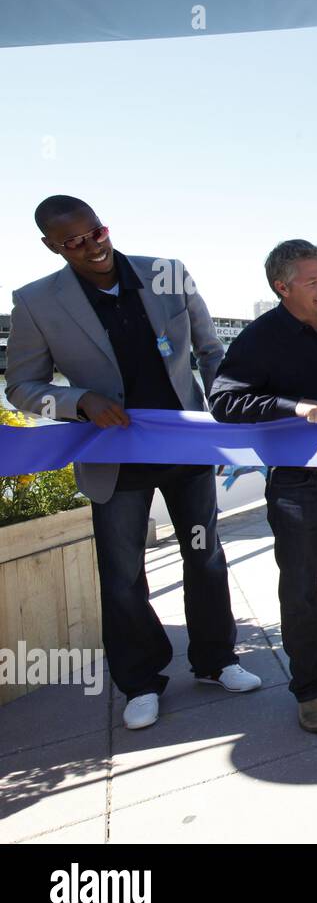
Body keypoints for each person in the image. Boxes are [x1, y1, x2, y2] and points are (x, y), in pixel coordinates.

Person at [5, 196, 260, 730]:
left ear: (104, 226)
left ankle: (217, 661)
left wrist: (223, 410)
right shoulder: (34, 302)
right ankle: (141, 682)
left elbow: (214, 354)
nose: (91, 247)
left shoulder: (167, 275)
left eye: (95, 232)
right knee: (122, 576)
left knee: (205, 556)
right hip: (113, 457)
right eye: (73, 242)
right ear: (52, 246)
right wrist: (79, 401)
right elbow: (23, 389)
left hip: (184, 447)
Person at [209, 239, 317, 734]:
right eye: (313, 281)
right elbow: (224, 402)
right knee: (301, 592)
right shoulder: (260, 338)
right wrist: (293, 407)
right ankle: (310, 691)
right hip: (296, 486)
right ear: (281, 287)